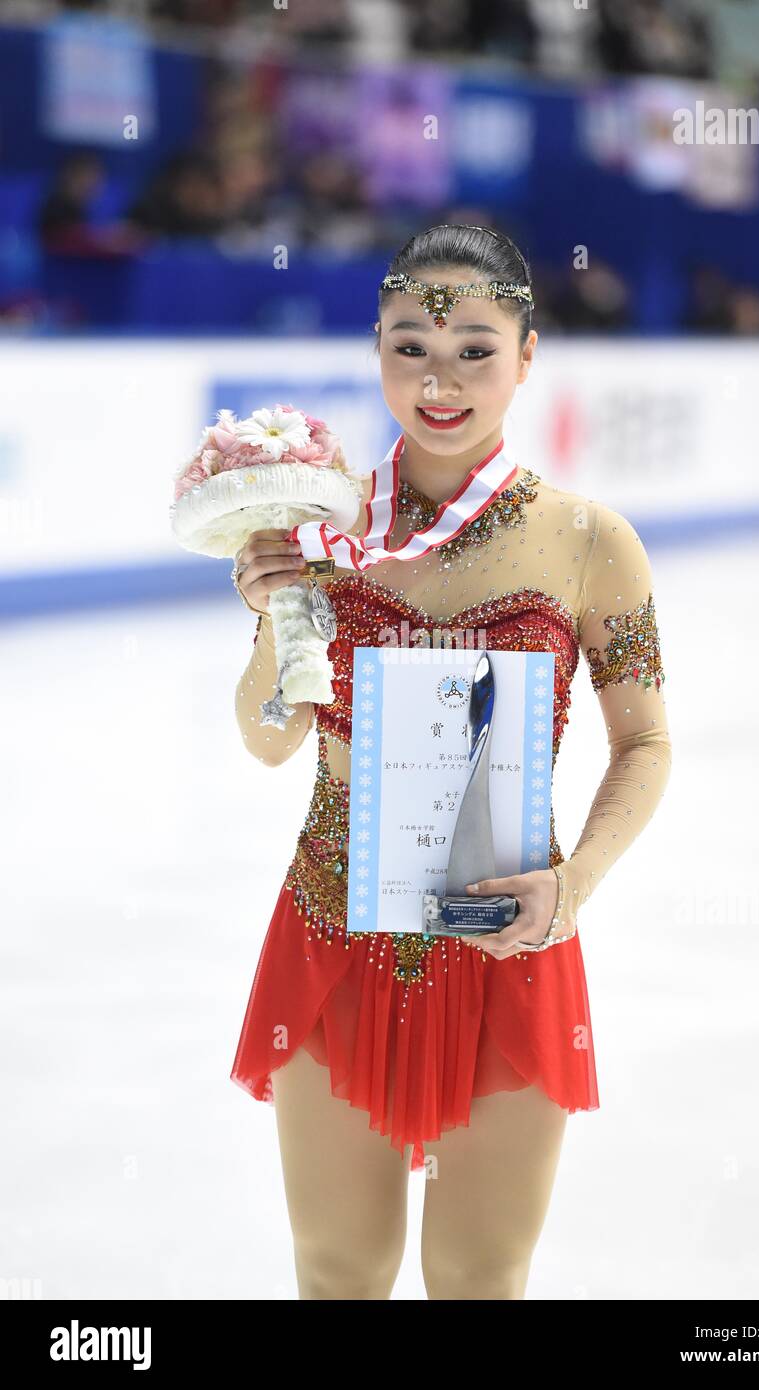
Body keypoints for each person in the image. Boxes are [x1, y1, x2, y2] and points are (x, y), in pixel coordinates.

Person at [229, 224, 673, 1299]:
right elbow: (270, 737)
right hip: (336, 929)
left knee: (477, 1274)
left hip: (509, 937)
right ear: (375, 349)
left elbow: (645, 741)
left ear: (527, 355)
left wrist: (573, 887)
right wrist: (269, 615)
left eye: (475, 346)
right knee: (340, 1269)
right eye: (409, 345)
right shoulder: (324, 533)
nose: (440, 378)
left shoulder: (587, 540)